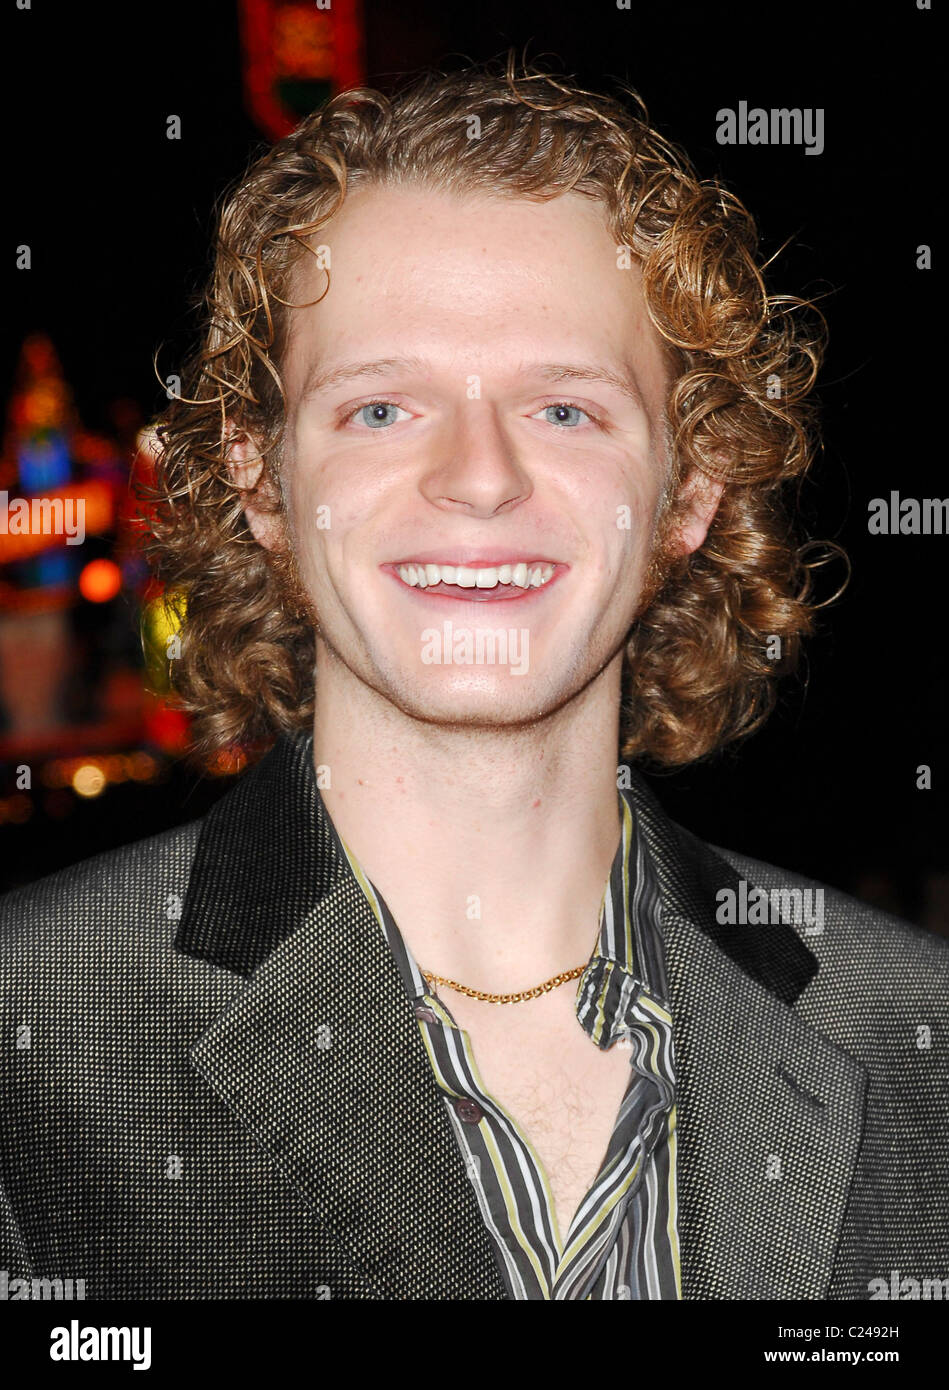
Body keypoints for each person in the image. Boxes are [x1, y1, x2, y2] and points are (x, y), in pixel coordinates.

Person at [1, 55, 946, 1302]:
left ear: (690, 488)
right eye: (382, 409)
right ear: (260, 481)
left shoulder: (913, 1036)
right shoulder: (32, 1046)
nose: (481, 476)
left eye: (565, 409)